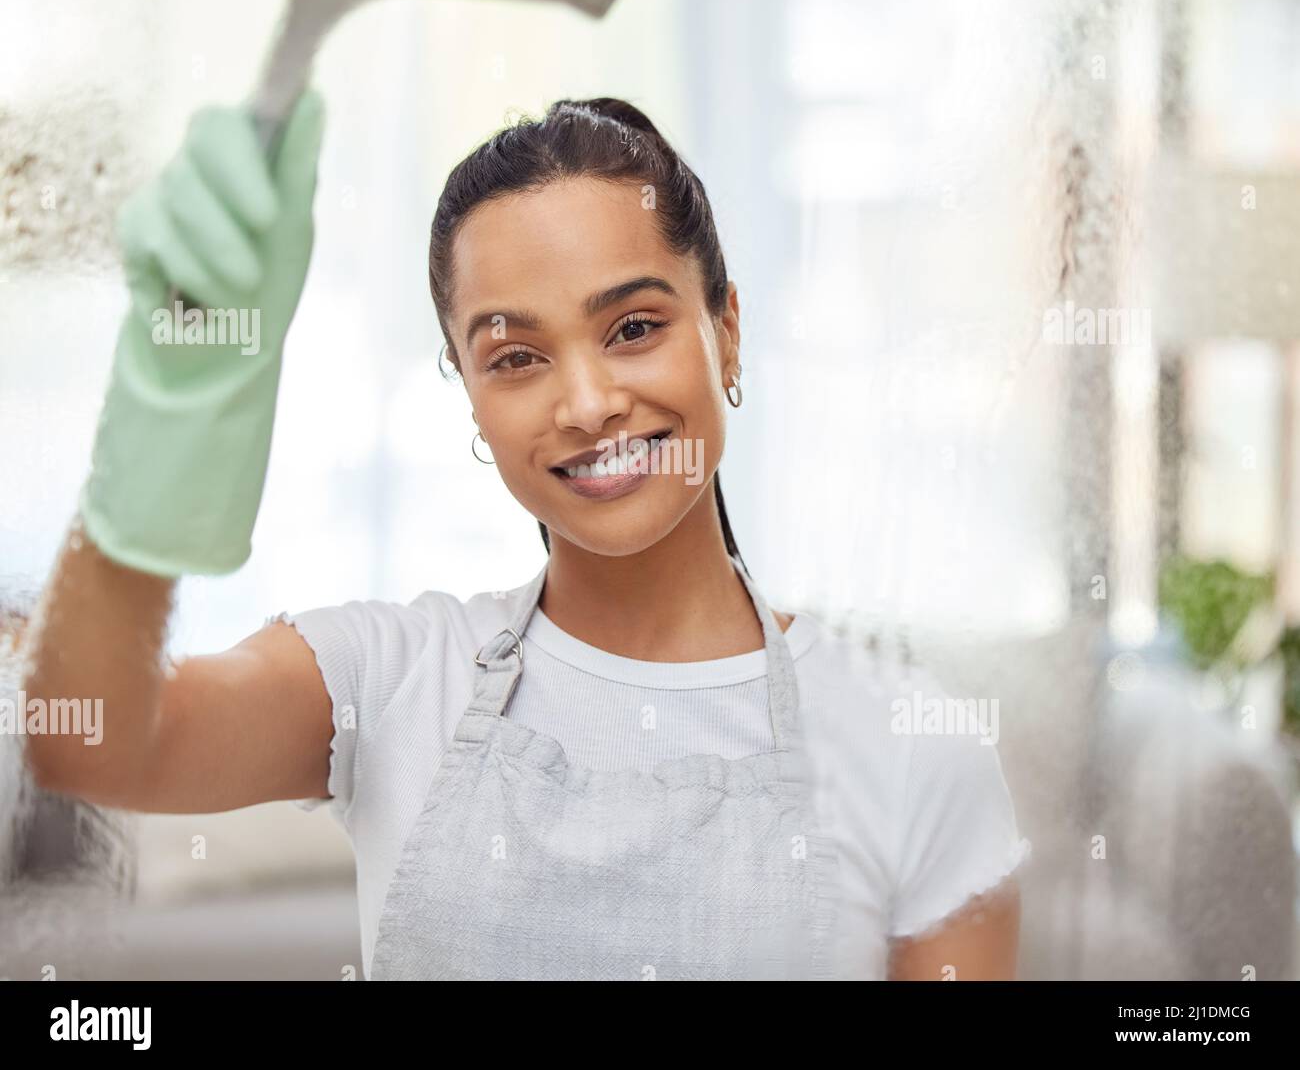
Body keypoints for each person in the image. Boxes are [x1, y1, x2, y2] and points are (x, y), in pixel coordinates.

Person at [24, 90, 1029, 980]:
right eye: (515, 357)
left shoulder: (910, 747)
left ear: (726, 329)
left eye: (633, 327)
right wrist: (163, 428)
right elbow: (95, 741)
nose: (588, 405)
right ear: (468, 397)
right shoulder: (393, 678)